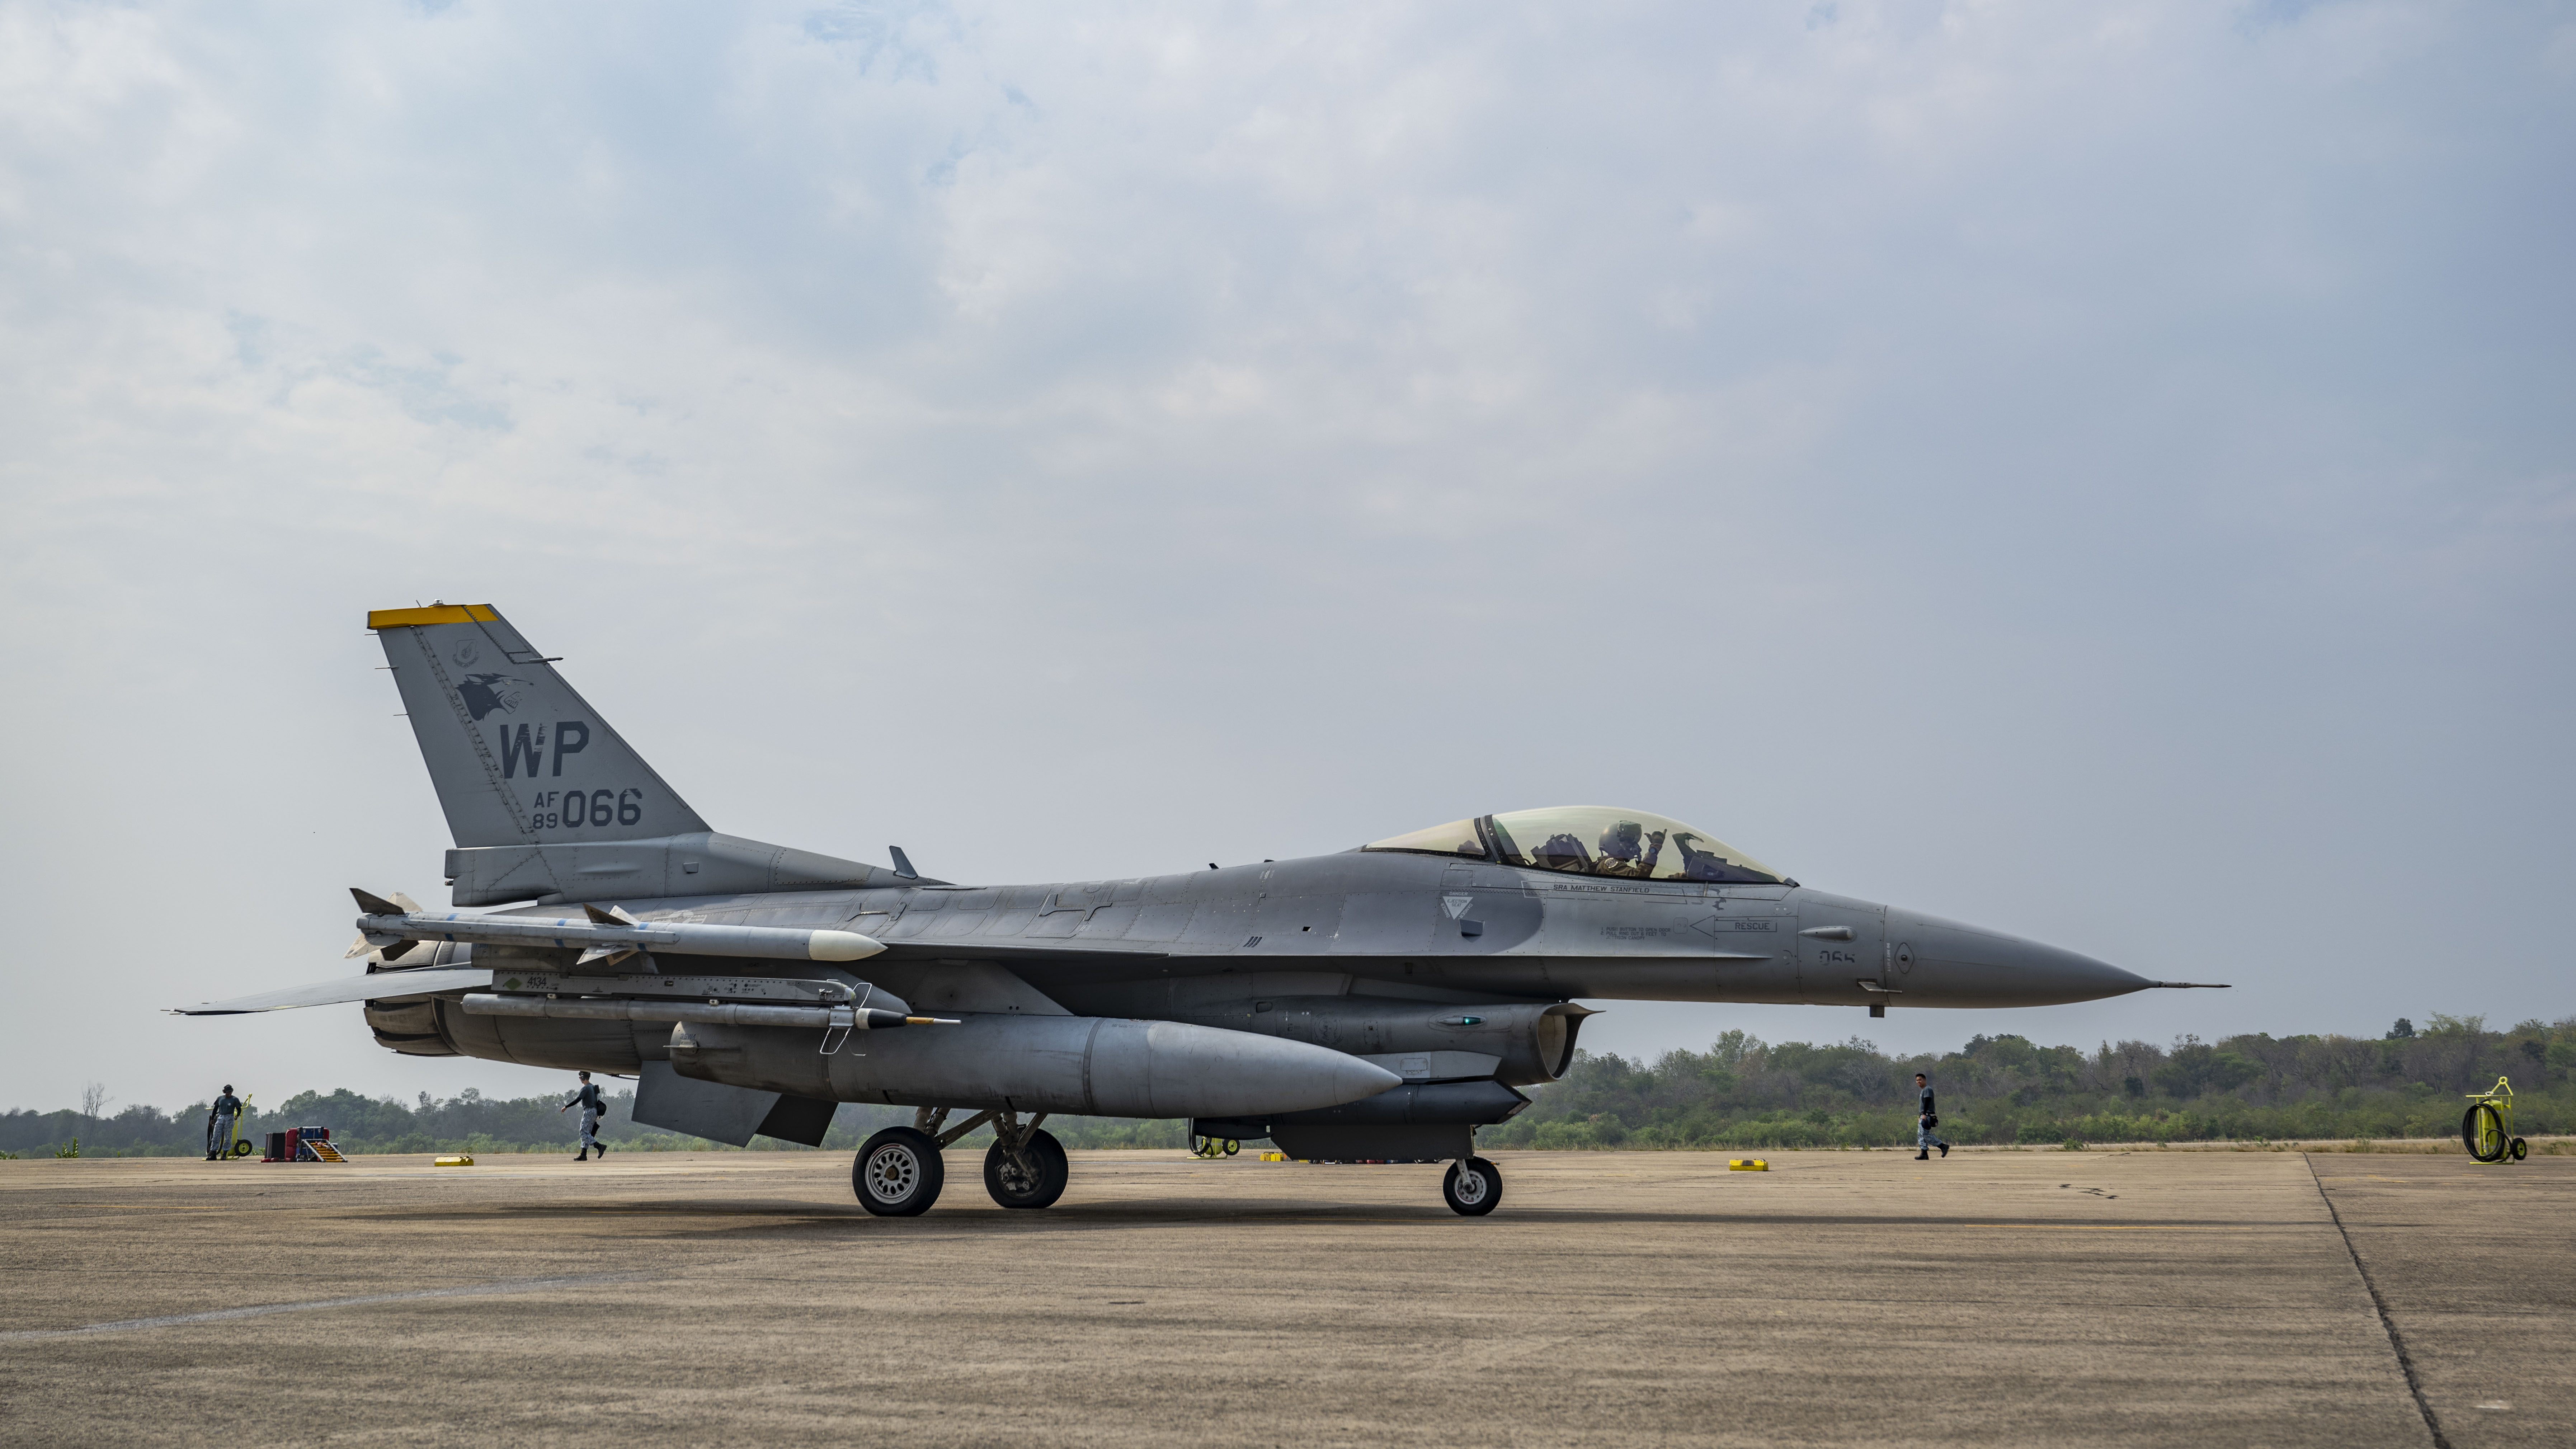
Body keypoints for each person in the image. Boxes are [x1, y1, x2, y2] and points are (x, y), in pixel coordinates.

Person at [559, 1071, 607, 1161]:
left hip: (589, 1111)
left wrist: (567, 1107)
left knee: (583, 1132)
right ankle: (583, 1154)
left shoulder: (586, 1089)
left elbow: (578, 1099)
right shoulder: (593, 1087)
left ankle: (599, 1146)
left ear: (582, 1078)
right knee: (587, 1133)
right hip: (595, 1112)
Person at [1914, 1073, 1949, 1160]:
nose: (1918, 1082)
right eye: (1917, 1080)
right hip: (1923, 1115)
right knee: (1920, 1135)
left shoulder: (1927, 1089)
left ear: (1925, 1080)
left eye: (1920, 1080)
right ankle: (1924, 1153)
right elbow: (1923, 1105)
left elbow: (1927, 1101)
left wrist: (1925, 1115)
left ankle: (1943, 1146)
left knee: (1925, 1135)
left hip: (1927, 1116)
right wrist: (1920, 1116)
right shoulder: (1923, 1090)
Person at [205, 1085, 242, 1161]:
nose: (229, 1094)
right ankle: (213, 1153)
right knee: (216, 1136)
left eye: (231, 1092)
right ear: (225, 1092)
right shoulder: (220, 1099)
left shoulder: (235, 1100)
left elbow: (239, 1109)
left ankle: (225, 1153)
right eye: (228, 1092)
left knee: (228, 1136)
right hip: (221, 1117)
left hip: (230, 1117)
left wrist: (237, 1116)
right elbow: (215, 1109)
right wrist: (212, 1119)